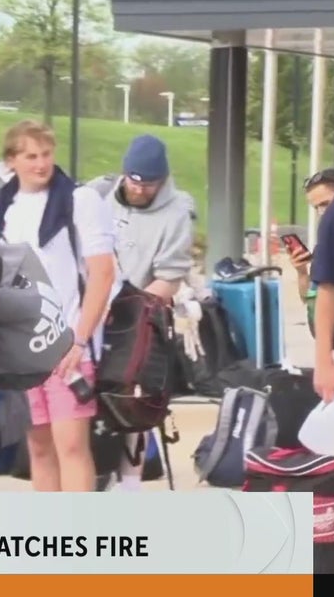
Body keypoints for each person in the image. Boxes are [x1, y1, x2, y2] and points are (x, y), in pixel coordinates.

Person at [0, 120, 118, 493]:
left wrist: (78, 338)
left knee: (71, 444)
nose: (41, 164)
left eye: (46, 154)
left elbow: (102, 273)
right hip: (22, 347)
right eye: (30, 156)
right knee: (38, 447)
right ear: (11, 160)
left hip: (68, 341)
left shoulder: (79, 200)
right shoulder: (0, 210)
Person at [86, 134, 194, 491]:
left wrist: (131, 313)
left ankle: (130, 484)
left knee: (132, 404)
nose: (139, 189)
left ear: (161, 180)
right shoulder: (98, 195)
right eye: (133, 181)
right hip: (89, 311)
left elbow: (170, 277)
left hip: (138, 317)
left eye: (148, 184)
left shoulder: (178, 210)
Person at [291, 169, 334, 334]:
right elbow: (311, 300)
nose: (321, 213)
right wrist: (302, 272)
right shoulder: (324, 246)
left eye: (325, 204)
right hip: (332, 344)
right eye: (316, 207)